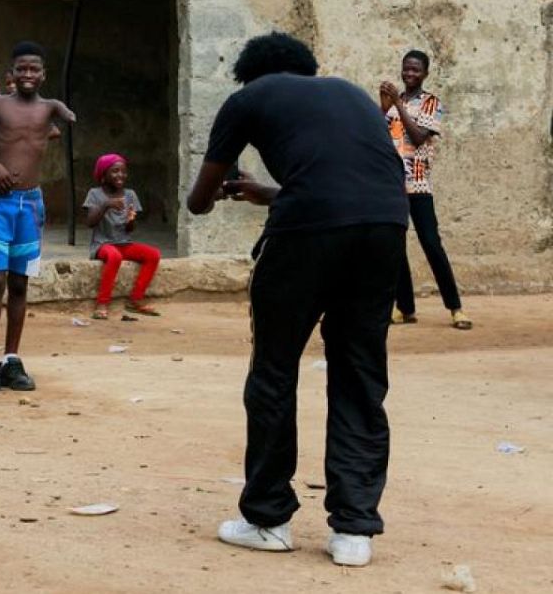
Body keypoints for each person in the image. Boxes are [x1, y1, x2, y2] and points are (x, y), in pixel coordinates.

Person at [185, 32, 409, 568]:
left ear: (251, 74)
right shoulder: (351, 94)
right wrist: (270, 193)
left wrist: (223, 190)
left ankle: (268, 520)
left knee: (275, 371)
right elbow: (346, 182)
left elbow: (197, 202)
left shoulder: (249, 98)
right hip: (385, 227)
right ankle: (354, 531)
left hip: (304, 236)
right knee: (359, 374)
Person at [0, 41, 76, 395]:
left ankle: (12, 361)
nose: (28, 74)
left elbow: (54, 125)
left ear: (43, 74)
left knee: (19, 283)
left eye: (34, 69)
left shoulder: (48, 109)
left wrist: (58, 114)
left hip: (30, 204)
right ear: (10, 74)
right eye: (22, 69)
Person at [379, 50, 471, 330]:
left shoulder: (431, 102)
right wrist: (383, 109)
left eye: (416, 70)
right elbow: (382, 137)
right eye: (406, 68)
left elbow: (419, 137)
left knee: (431, 243)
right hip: (393, 185)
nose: (410, 74)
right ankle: (405, 308)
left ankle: (455, 308)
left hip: (418, 184)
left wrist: (397, 104)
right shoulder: (395, 103)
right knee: (395, 247)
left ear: (425, 74)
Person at [83, 153, 161, 320]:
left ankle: (135, 300)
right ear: (103, 175)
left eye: (124, 171)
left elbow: (130, 229)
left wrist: (131, 220)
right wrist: (106, 205)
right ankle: (102, 303)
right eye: (115, 171)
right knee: (114, 256)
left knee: (153, 255)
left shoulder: (130, 195)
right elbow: (90, 223)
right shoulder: (95, 194)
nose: (121, 175)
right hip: (102, 244)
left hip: (124, 243)